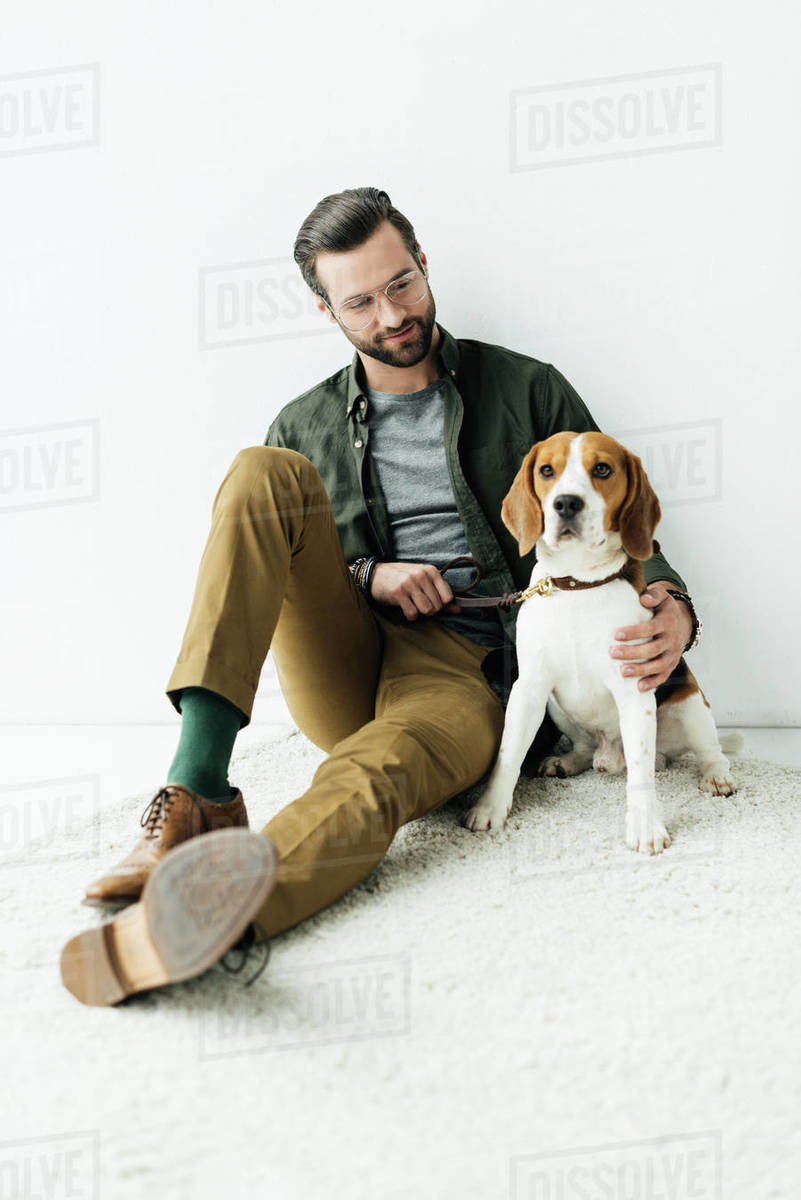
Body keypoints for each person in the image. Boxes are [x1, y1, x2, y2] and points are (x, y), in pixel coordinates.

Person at [62, 187, 696, 1004]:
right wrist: (369, 574)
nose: (391, 315)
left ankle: (202, 915)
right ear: (326, 310)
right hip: (347, 655)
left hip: (467, 669)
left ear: (423, 265)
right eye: (359, 301)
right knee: (261, 473)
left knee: (376, 770)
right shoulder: (305, 424)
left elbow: (620, 514)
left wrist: (672, 602)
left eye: (401, 284)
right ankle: (198, 792)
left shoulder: (527, 389)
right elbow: (286, 569)